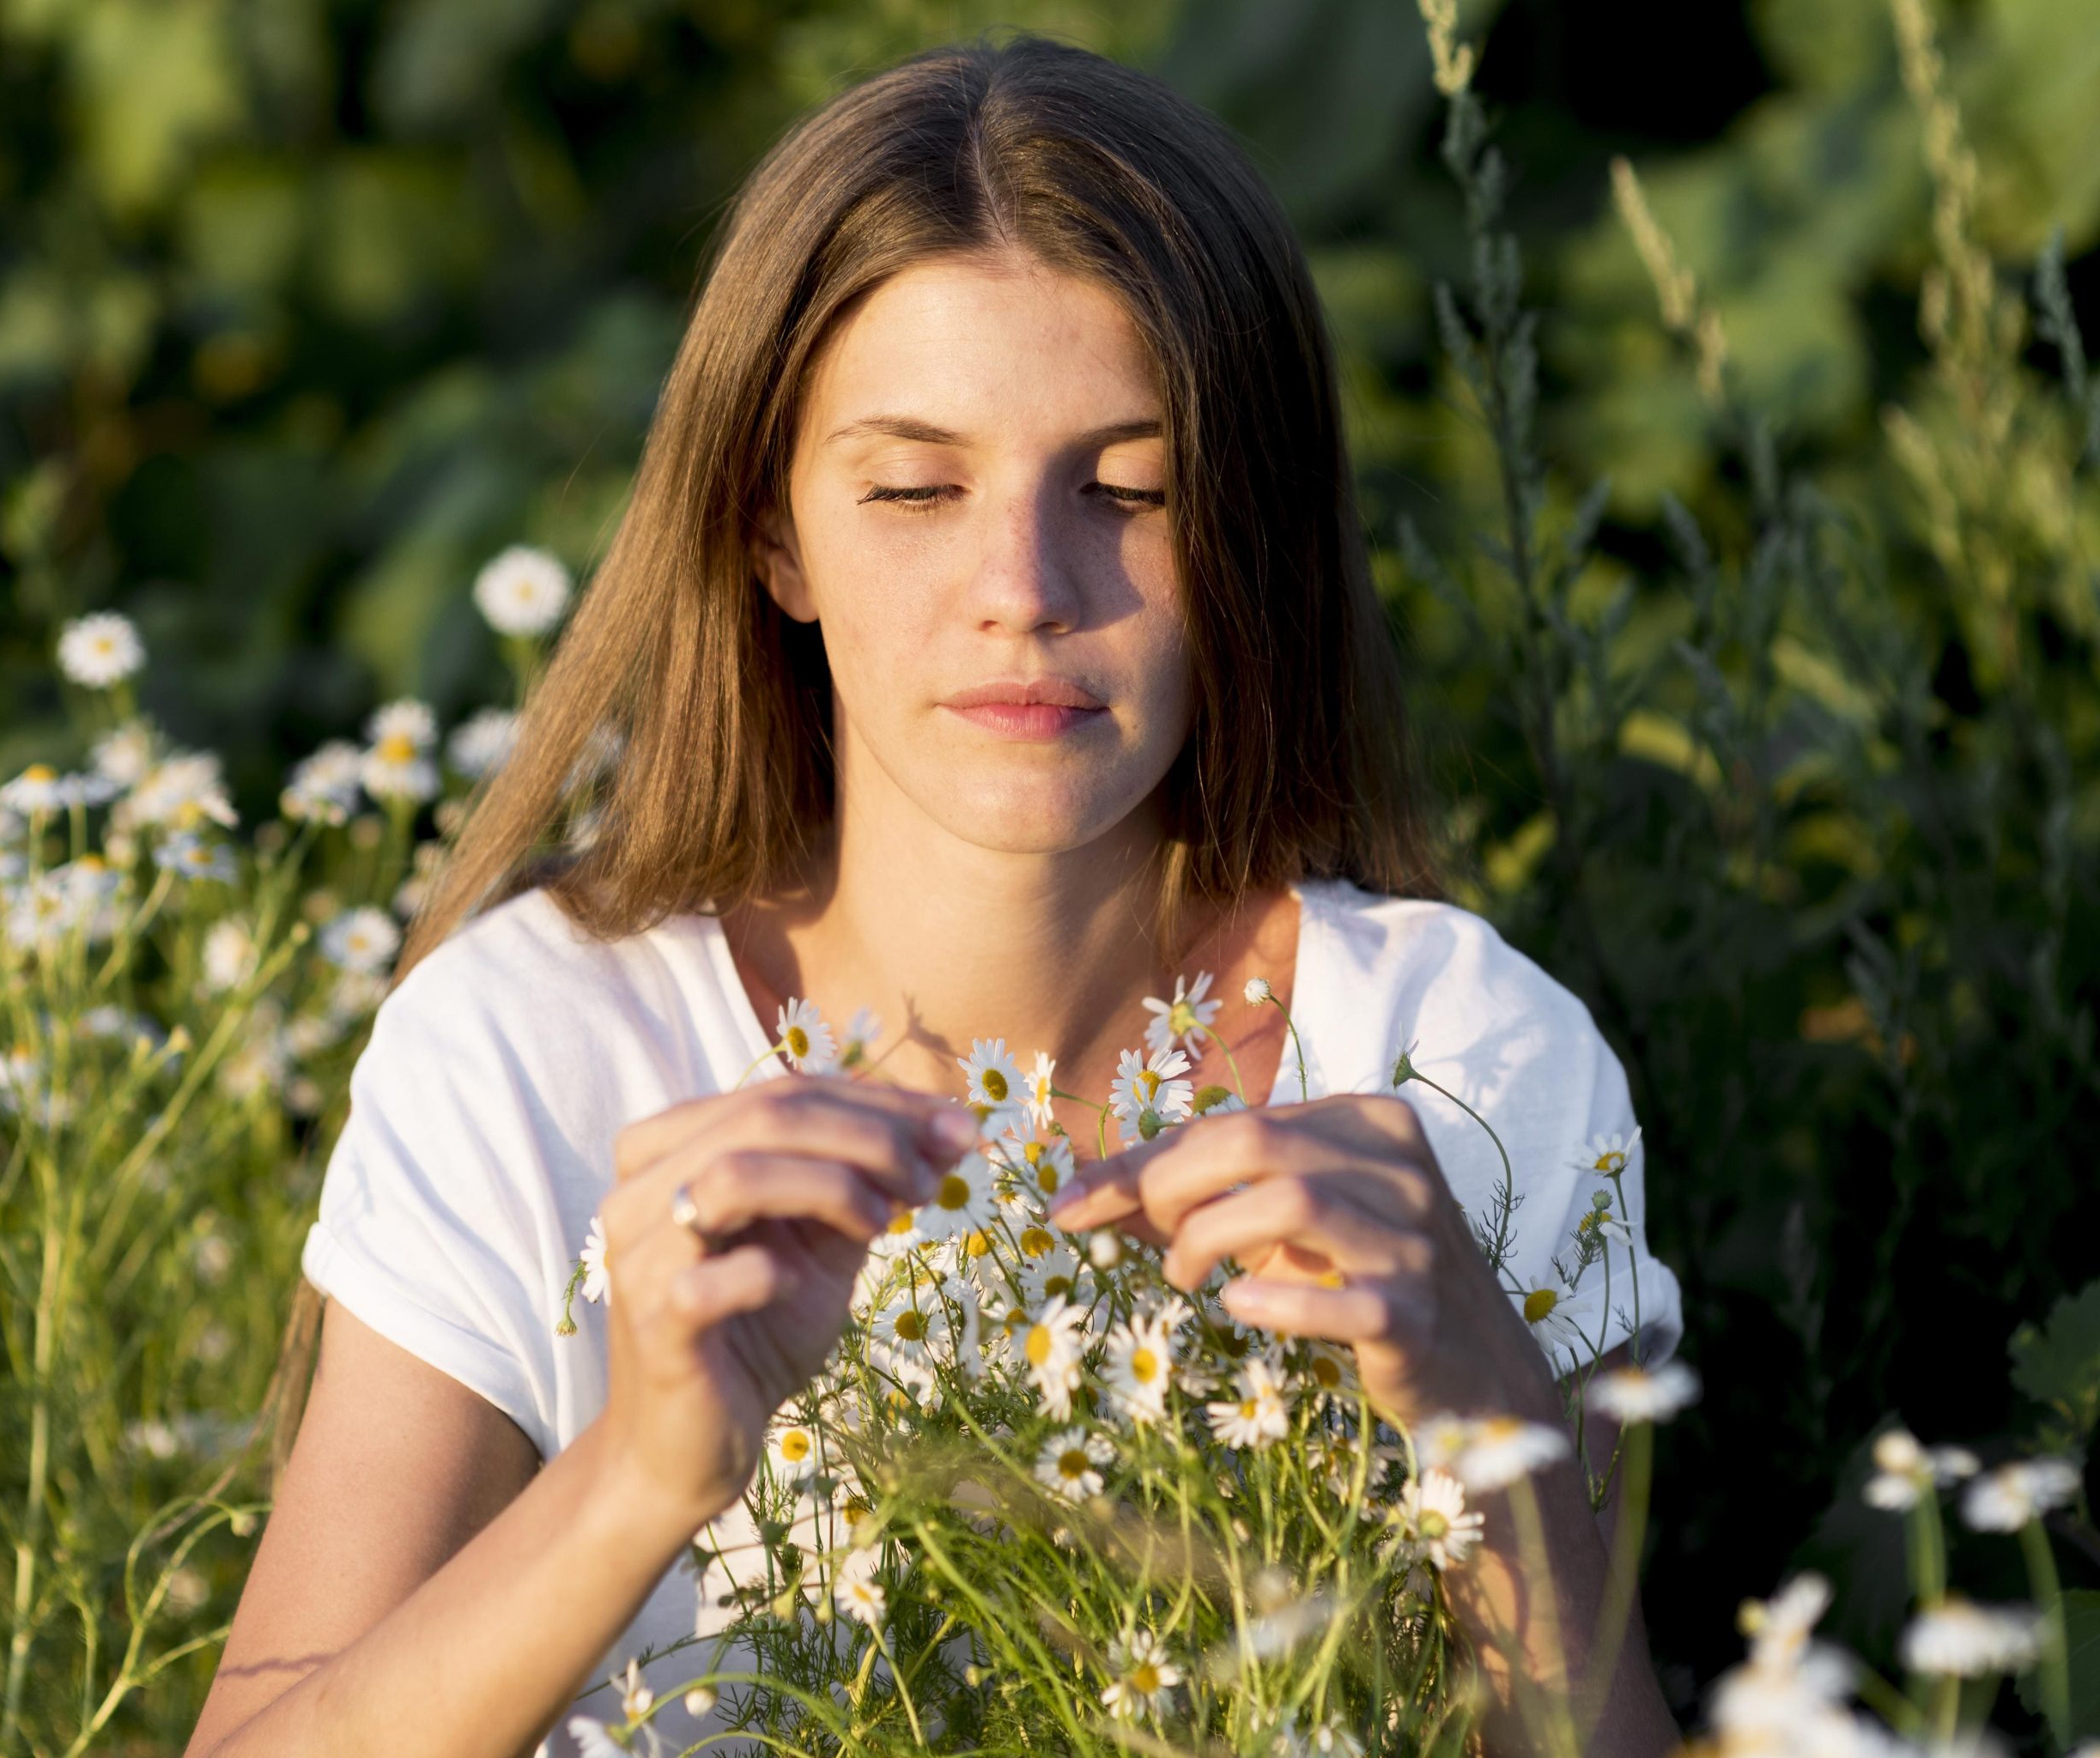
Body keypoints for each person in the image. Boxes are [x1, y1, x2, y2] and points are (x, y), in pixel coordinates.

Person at [185, 30, 1685, 1758]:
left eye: (1130, 490)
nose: (1020, 588)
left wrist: (1489, 1425)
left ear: (1253, 536)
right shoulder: (536, 1048)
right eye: (912, 488)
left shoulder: (1455, 1060)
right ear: (772, 533)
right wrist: (641, 1474)